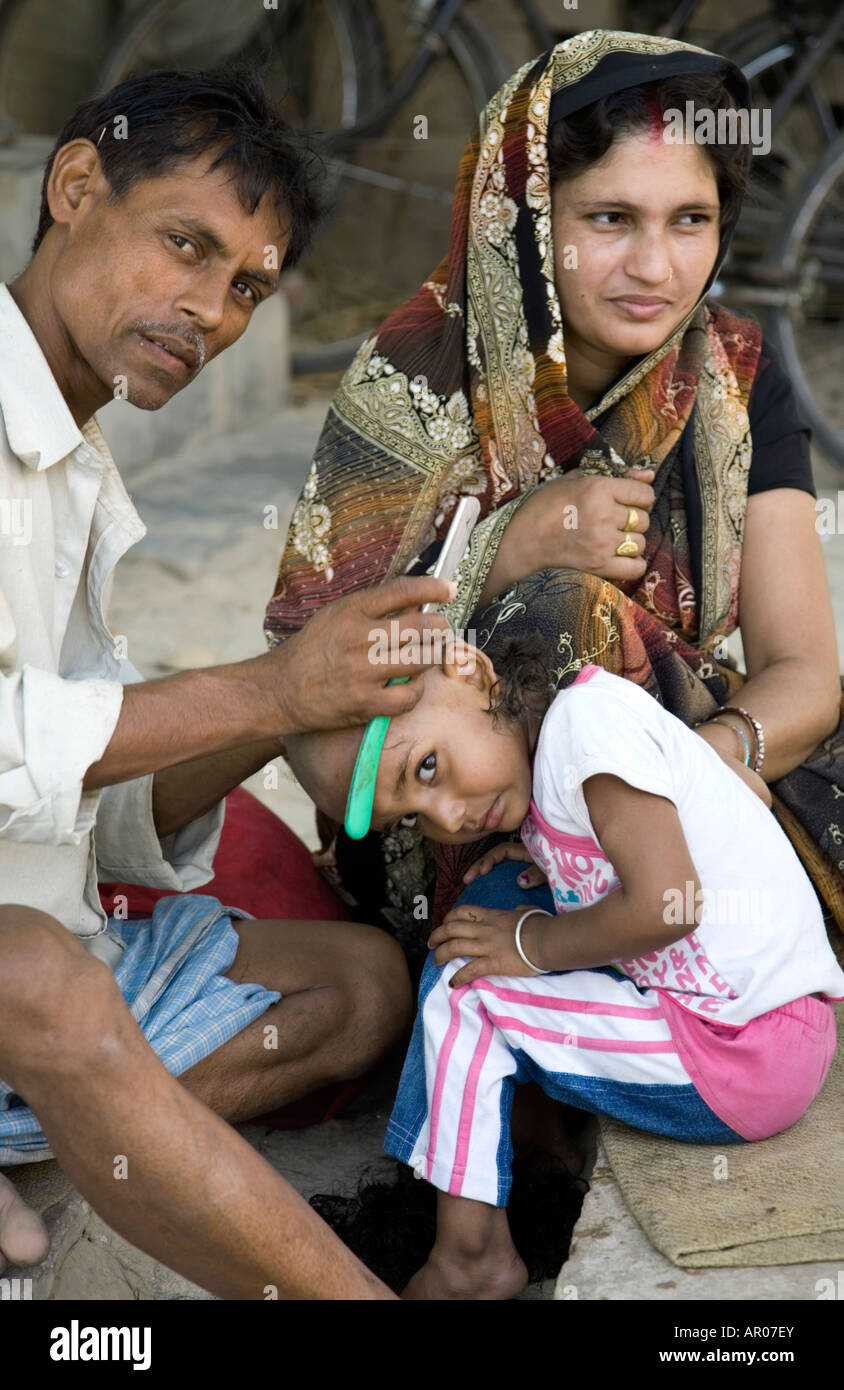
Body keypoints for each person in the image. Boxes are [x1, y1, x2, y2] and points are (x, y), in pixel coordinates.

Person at [0, 66, 458, 1300]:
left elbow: (99, 804)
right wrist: (264, 691)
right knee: (30, 969)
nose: (207, 307)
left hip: (51, 975)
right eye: (185, 246)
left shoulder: (76, 462)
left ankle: (89, 1139)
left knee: (357, 984)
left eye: (248, 285)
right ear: (77, 185)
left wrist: (302, 705)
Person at [264, 30, 843, 977]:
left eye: (690, 220)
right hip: (451, 834)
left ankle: (652, 915)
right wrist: (510, 548)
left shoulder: (734, 379)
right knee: (559, 613)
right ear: (528, 219)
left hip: (691, 774)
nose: (656, 267)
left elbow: (805, 675)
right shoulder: (417, 375)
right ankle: (555, 939)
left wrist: (701, 769)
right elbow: (307, 702)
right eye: (611, 219)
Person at [284, 634, 844, 1299]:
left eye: (427, 768)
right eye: (413, 818)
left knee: (469, 986)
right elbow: (725, 800)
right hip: (758, 1033)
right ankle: (494, 1184)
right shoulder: (579, 735)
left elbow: (670, 906)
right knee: (486, 932)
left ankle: (471, 1259)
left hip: (738, 1050)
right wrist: (552, 855)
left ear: (469, 669)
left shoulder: (587, 728)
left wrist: (535, 945)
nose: (449, 816)